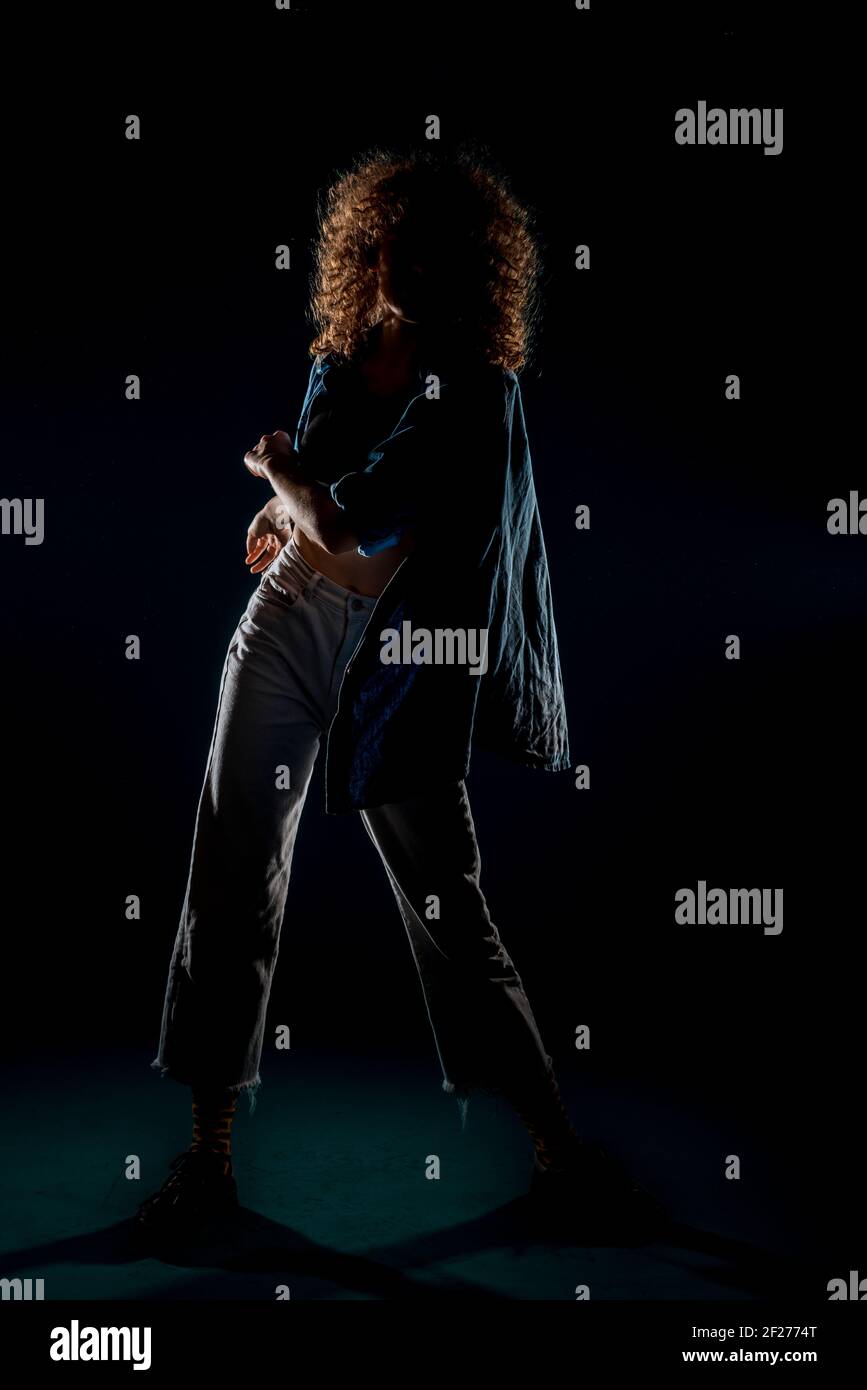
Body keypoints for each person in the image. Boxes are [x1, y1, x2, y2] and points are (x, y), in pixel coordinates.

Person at [136, 146, 664, 1242]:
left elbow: (342, 526)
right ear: (365, 247)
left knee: (448, 903)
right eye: (391, 247)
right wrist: (286, 510)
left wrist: (279, 479)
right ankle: (207, 1153)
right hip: (284, 633)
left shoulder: (476, 392)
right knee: (232, 875)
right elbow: (325, 528)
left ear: (470, 271)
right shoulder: (343, 356)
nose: (405, 270)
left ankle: (561, 1151)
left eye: (433, 255)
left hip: (401, 657)